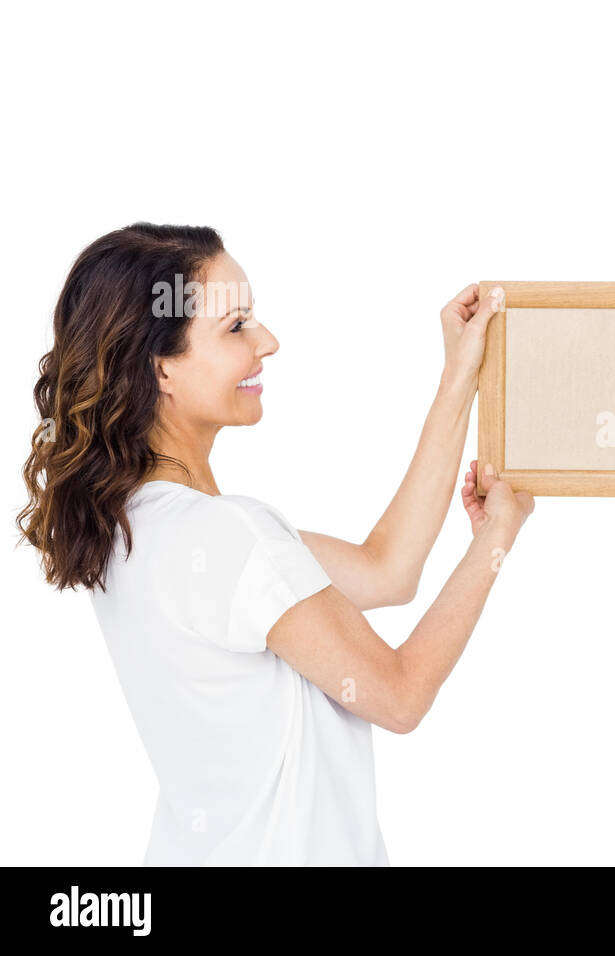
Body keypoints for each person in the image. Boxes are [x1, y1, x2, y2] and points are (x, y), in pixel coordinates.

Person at [18, 223, 535, 865]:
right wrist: (500, 537)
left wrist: (461, 374)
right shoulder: (229, 534)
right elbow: (399, 696)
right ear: (161, 368)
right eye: (235, 327)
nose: (267, 341)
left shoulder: (133, 527)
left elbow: (387, 569)